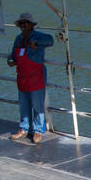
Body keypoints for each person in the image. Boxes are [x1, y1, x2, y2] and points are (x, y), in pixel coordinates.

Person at [6, 11, 54, 143]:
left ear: (31, 25)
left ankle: (38, 131)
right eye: (22, 23)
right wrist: (10, 60)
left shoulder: (38, 36)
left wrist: (37, 44)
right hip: (22, 76)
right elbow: (12, 54)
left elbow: (51, 40)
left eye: (26, 23)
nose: (24, 25)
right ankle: (24, 129)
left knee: (37, 105)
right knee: (24, 104)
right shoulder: (18, 39)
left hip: (36, 76)